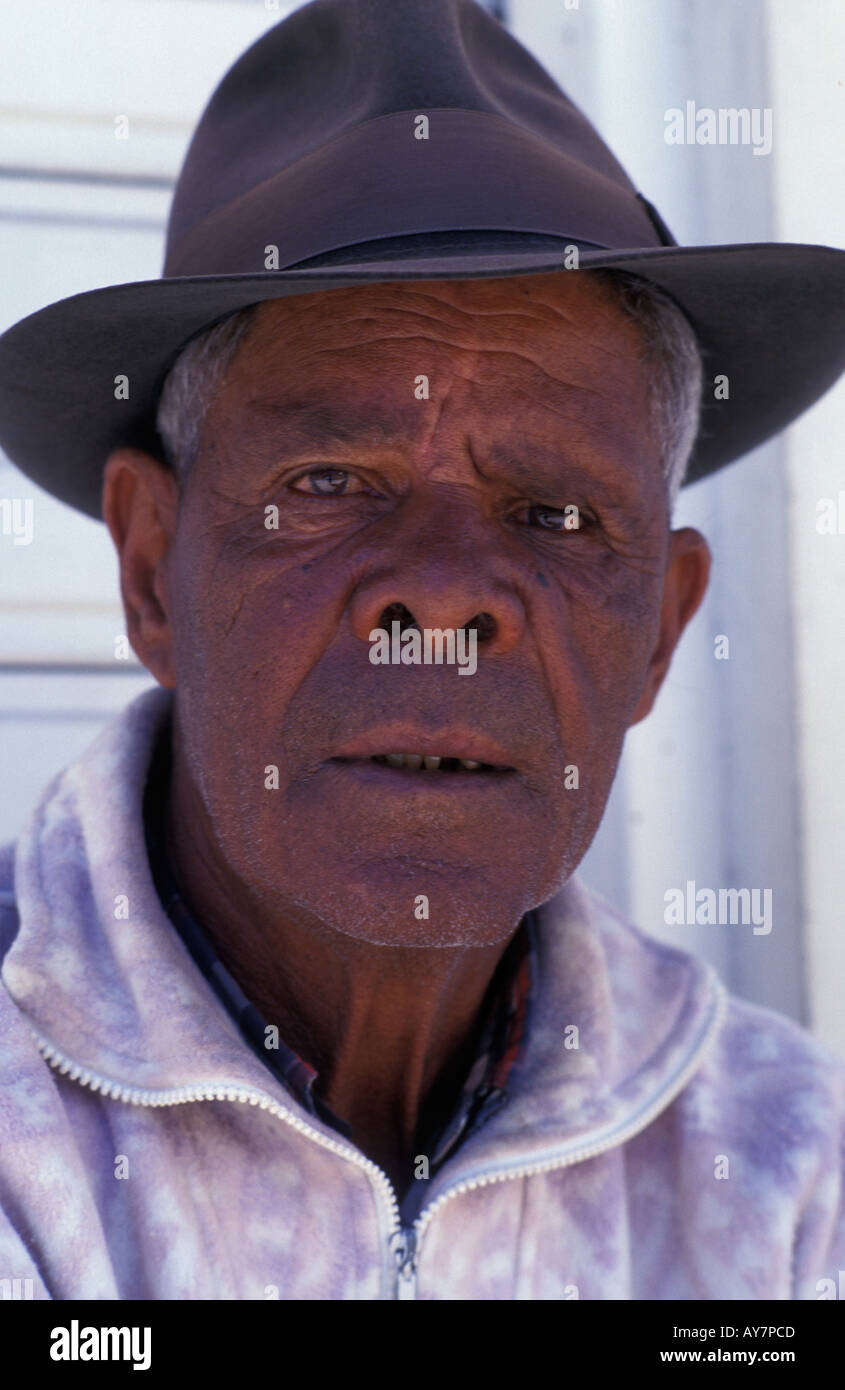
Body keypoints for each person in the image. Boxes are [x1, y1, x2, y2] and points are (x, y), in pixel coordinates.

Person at [0, 0, 843, 1300]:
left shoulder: (785, 1165)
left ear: (660, 627)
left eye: (554, 514)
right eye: (332, 481)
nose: (443, 599)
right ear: (151, 568)